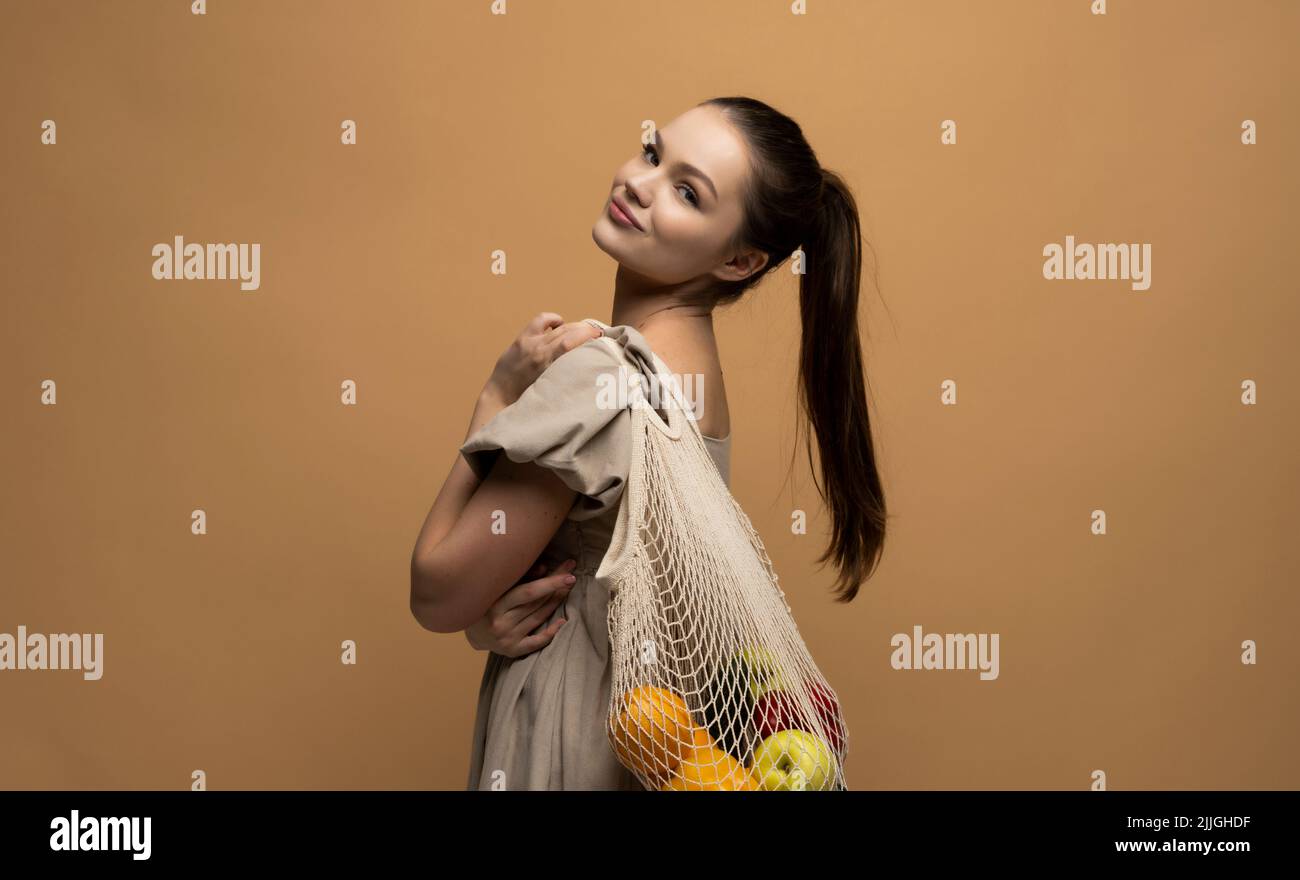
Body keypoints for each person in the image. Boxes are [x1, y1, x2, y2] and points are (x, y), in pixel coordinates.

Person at [410, 96, 888, 790]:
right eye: (654, 154)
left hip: (572, 736)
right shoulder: (697, 377)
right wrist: (491, 617)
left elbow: (434, 592)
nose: (640, 182)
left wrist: (495, 400)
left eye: (687, 193)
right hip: (656, 736)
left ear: (739, 261)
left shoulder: (602, 380)